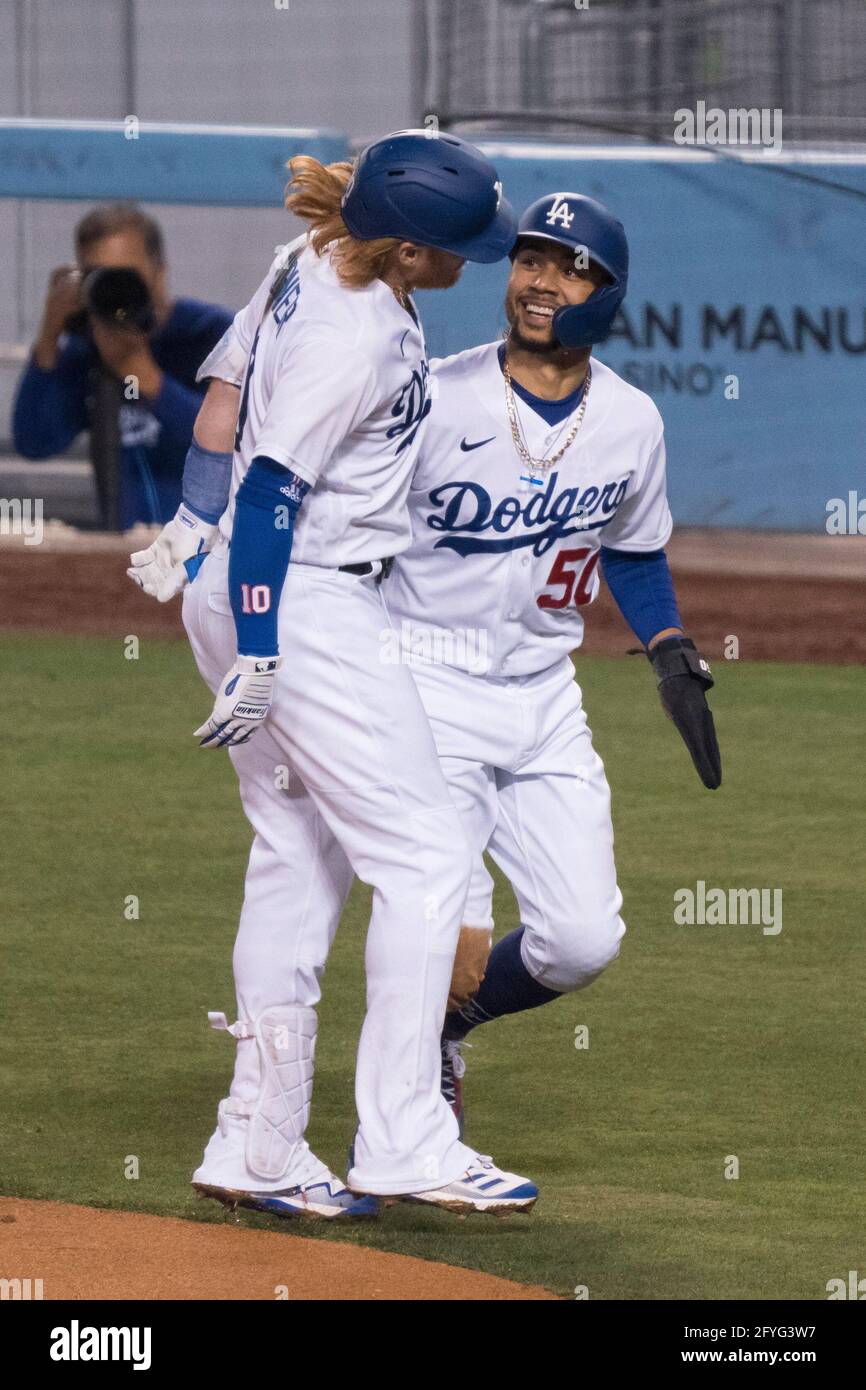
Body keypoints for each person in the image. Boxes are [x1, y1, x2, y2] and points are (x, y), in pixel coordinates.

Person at [132, 131, 540, 1219]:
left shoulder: (301, 255)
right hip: (298, 592)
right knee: (422, 851)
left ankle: (256, 1140)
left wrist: (184, 526)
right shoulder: (352, 339)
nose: (481, 258)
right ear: (407, 248)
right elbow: (270, 487)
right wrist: (262, 645)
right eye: (464, 243)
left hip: (252, 587)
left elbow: (218, 409)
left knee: (299, 853)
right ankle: (405, 1137)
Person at [380, 192, 721, 1132]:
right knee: (449, 928)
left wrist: (669, 647)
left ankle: (449, 1027)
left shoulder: (631, 421)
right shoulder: (435, 396)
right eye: (531, 258)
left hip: (542, 698)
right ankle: (407, 1131)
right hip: (423, 680)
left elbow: (636, 548)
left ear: (606, 292)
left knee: (579, 942)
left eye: (569, 265)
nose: (541, 280)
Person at [12, 203, 232, 528]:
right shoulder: (88, 349)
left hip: (210, 550)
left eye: (126, 276)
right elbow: (35, 442)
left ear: (160, 271)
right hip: (125, 552)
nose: (115, 290)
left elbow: (231, 447)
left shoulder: (209, 335)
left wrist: (144, 375)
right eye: (100, 277)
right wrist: (49, 336)